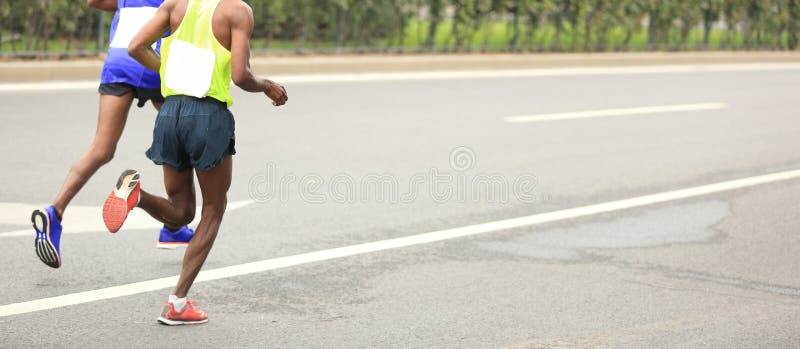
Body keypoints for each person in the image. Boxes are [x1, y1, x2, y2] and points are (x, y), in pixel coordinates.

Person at [118, 0, 287, 325]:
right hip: (207, 116)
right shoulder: (237, 11)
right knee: (213, 209)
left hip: (169, 113)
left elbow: (136, 46)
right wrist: (267, 85)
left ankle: (136, 196)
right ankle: (177, 302)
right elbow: (240, 75)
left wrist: (168, 69)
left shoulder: (175, 5)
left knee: (181, 212)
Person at [31, 0, 195, 270]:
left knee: (101, 148)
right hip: (154, 61)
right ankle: (174, 224)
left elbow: (94, 1)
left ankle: (55, 212)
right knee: (179, 139)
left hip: (119, 61)